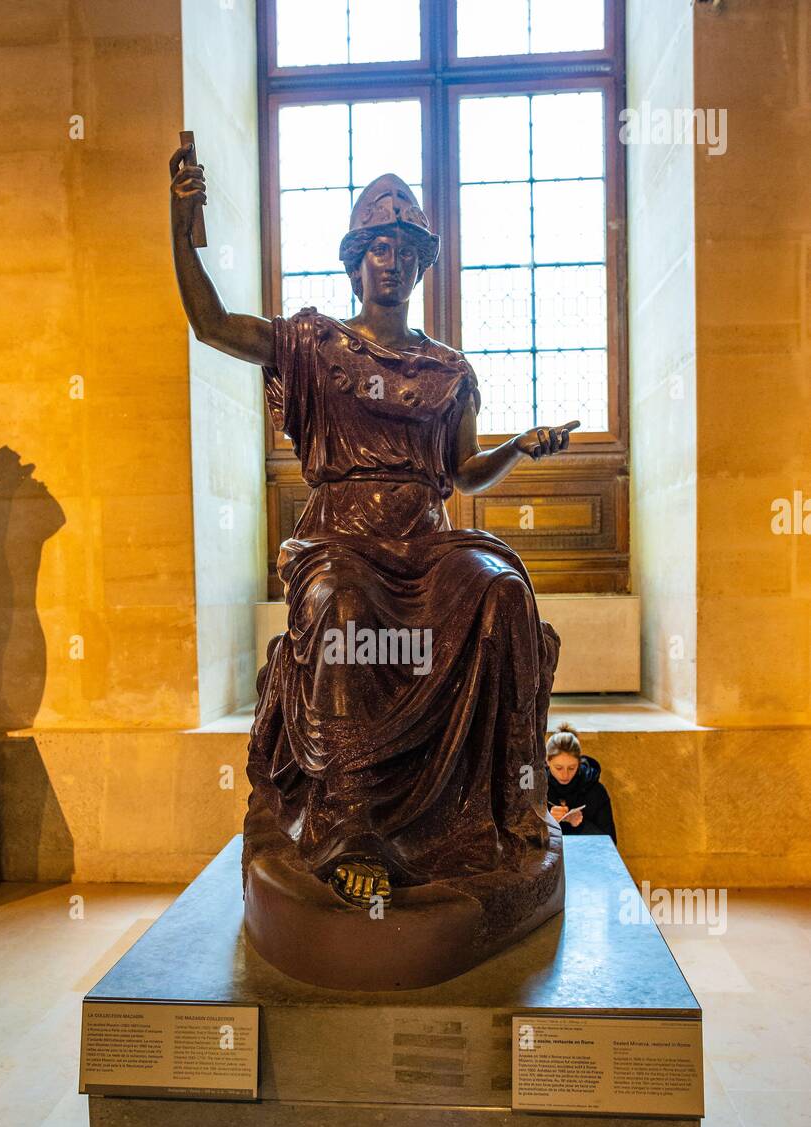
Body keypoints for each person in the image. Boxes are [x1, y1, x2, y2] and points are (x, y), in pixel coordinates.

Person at [170, 148, 579, 909]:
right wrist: (181, 226)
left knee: (502, 594)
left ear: (422, 266)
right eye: (380, 248)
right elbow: (212, 324)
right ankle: (350, 819)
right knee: (344, 605)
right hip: (341, 539)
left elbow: (461, 473)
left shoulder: (447, 370)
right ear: (357, 261)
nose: (394, 262)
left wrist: (518, 448)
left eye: (408, 251)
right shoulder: (314, 343)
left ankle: (506, 801)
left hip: (426, 540)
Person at [546, 722, 617, 844]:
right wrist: (546, 822)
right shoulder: (536, 790)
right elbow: (524, 841)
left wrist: (581, 825)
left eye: (571, 768)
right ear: (547, 761)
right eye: (558, 768)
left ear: (579, 763)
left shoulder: (596, 791)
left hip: (587, 854)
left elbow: (609, 843)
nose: (565, 775)